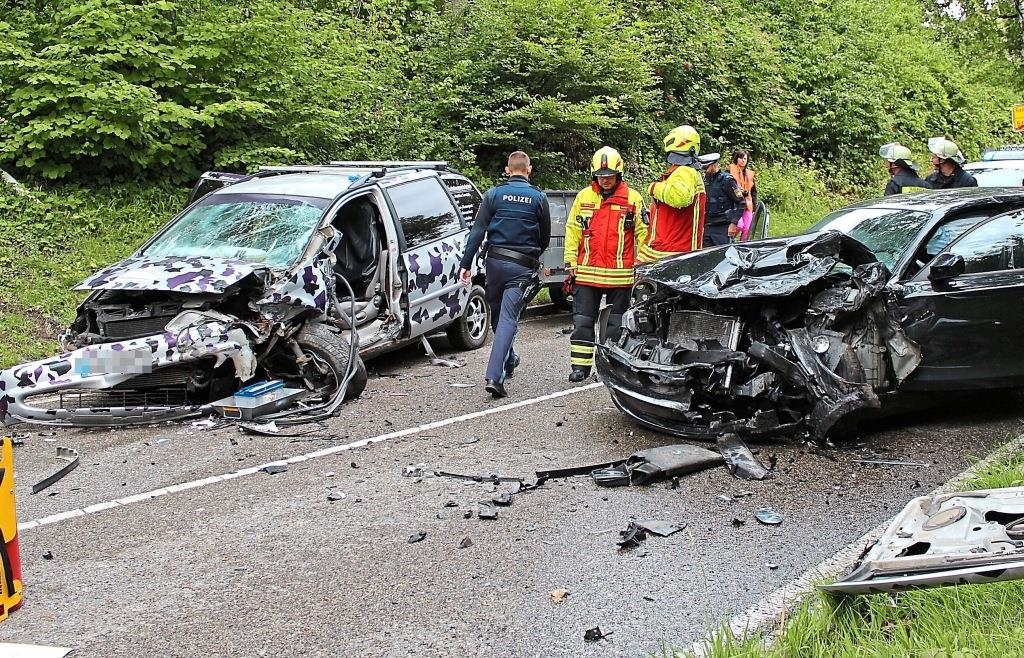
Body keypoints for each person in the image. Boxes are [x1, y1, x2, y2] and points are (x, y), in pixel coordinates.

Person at [459, 151, 551, 399]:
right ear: (528, 170)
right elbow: (544, 238)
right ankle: (494, 377)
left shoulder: (493, 195)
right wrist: (530, 256)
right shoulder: (538, 198)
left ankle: (509, 360)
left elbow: (477, 232)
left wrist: (465, 264)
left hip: (495, 264)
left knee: (498, 316)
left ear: (508, 170)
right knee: (508, 319)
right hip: (521, 266)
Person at [563, 146, 647, 383]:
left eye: (609, 175)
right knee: (582, 323)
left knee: (615, 325)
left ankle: (612, 366)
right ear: (594, 175)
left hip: (621, 276)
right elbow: (573, 230)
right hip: (587, 274)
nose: (606, 179)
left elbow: (643, 233)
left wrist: (641, 265)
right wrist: (570, 261)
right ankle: (580, 368)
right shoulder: (584, 197)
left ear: (618, 174)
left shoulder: (633, 199)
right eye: (601, 176)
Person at [637, 125, 707, 262]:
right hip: (673, 251)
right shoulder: (687, 172)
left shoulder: (684, 171)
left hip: (671, 254)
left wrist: (654, 188)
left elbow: (679, 198)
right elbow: (680, 213)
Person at [700, 153, 746, 247]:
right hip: (708, 226)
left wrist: (733, 223)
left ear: (713, 165)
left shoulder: (727, 181)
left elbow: (741, 203)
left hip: (723, 227)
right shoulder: (705, 181)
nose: (704, 171)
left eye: (706, 168)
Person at [727, 149, 757, 240]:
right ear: (737, 159)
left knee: (748, 228)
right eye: (741, 158)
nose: (743, 160)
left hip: (747, 204)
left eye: (745, 158)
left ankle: (743, 246)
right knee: (739, 225)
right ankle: (729, 240)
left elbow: (754, 192)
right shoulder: (729, 171)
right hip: (734, 204)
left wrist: (754, 207)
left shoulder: (750, 174)